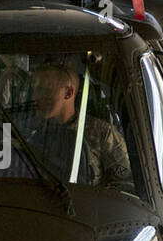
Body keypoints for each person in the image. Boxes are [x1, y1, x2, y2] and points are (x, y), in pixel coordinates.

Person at [15, 62, 134, 192]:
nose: (36, 97)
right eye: (36, 89)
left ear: (69, 93)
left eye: (45, 90)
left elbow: (124, 185)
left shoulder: (102, 133)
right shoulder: (26, 130)